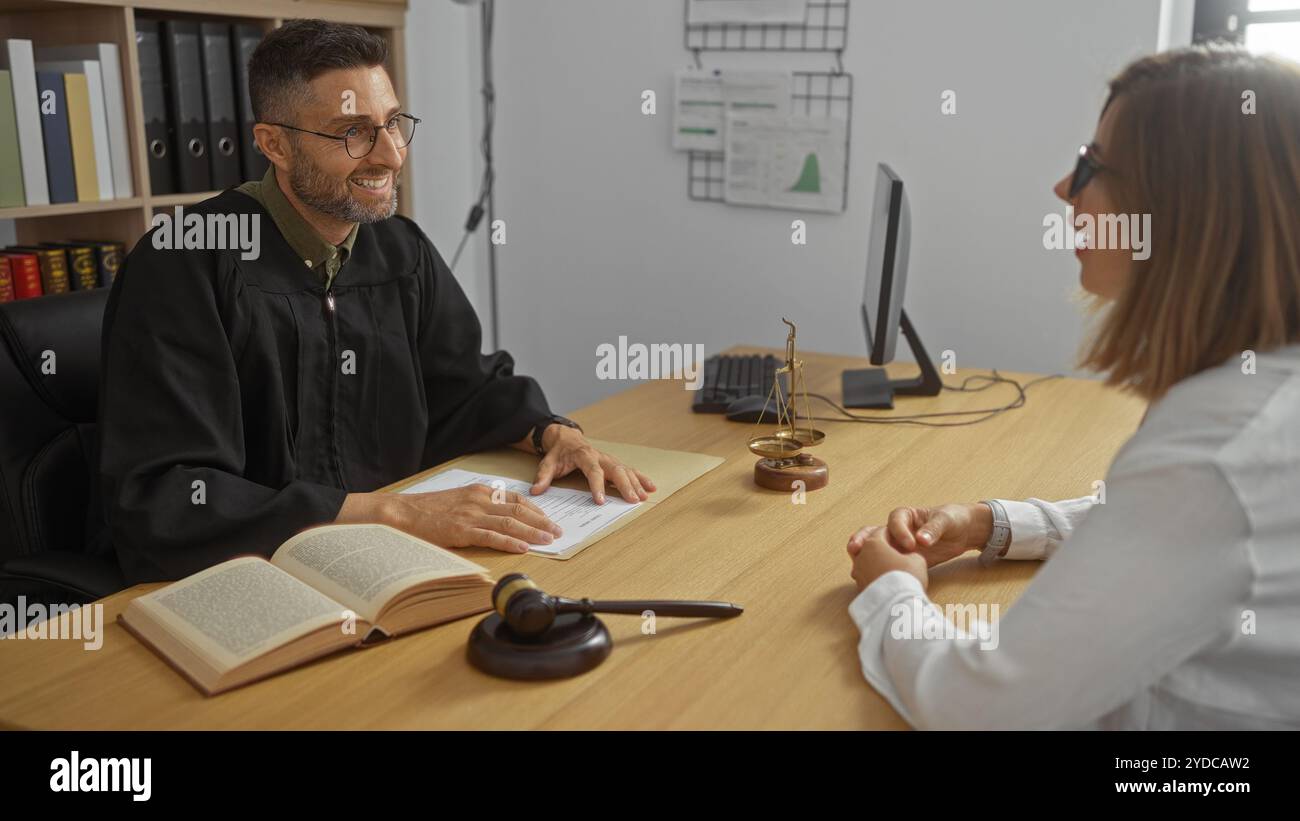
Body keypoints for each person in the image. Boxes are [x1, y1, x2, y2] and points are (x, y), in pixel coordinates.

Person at [98, 19, 653, 584]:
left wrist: (555, 434)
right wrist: (397, 513)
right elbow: (167, 499)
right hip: (254, 576)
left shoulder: (400, 251)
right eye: (353, 132)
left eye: (393, 124)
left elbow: (465, 388)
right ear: (274, 145)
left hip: (398, 567)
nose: (389, 155)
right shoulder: (186, 263)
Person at [845, 44, 1300, 729]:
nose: (1065, 187)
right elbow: (1161, 528)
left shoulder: (1219, 454)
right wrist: (988, 524)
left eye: (1092, 166)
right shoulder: (1257, 406)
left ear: (1180, 207)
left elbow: (974, 707)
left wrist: (890, 592)